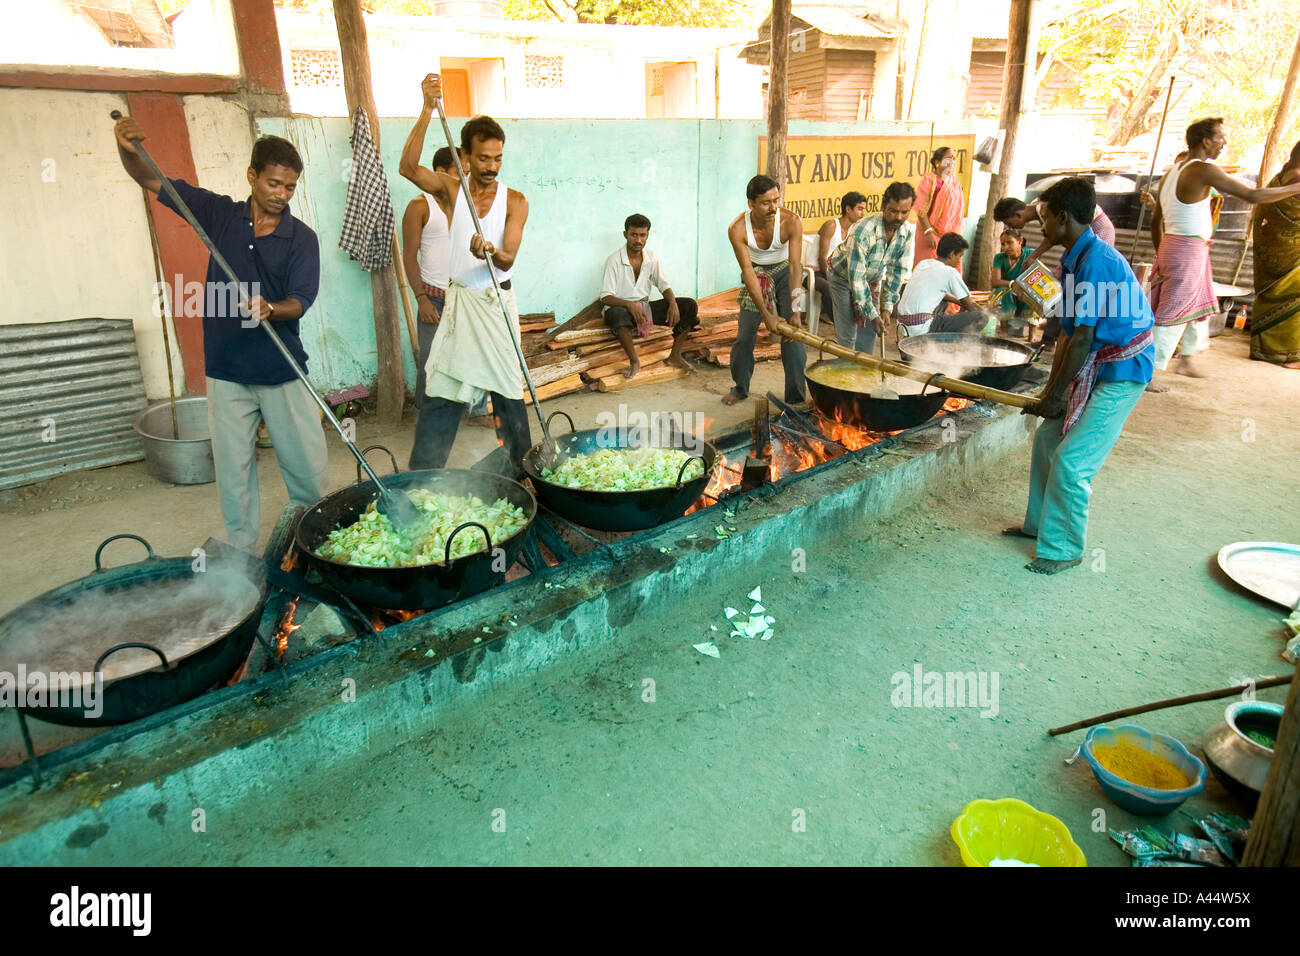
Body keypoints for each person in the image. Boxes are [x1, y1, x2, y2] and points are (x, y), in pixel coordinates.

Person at [113, 115, 327, 553]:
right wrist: (126, 148)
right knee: (233, 474)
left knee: (307, 474)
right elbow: (147, 178)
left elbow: (302, 299)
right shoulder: (217, 214)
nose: (281, 195)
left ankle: (315, 548)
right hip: (227, 372)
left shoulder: (301, 238)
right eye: (273, 184)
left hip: (281, 370)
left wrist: (271, 308)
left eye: (290, 187)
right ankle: (242, 557)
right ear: (252, 176)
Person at [1003, 178, 1154, 575]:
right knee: (1048, 437)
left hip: (1123, 369)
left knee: (1072, 462)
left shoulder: (1097, 262)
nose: (1042, 224)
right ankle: (1038, 526)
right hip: (1099, 359)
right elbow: (1068, 336)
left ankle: (1065, 548)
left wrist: (1054, 396)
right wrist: (1051, 394)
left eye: (1045, 216)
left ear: (1063, 218)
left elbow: (1083, 338)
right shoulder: (1075, 258)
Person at [400, 75, 532, 472]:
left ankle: (524, 472)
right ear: (465, 157)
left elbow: (508, 259)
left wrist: (490, 250)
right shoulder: (451, 191)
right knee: (441, 385)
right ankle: (423, 478)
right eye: (482, 159)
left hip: (495, 305)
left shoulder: (516, 201)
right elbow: (407, 167)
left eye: (497, 158)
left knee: (508, 391)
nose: (491, 167)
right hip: (460, 302)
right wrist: (426, 109)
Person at [1149, 118, 1300, 381]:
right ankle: (1147, 372)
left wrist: (1162, 252)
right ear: (1206, 141)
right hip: (1187, 250)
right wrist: (1295, 188)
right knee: (1172, 315)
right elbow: (1252, 196)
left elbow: (1156, 220)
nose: (1224, 142)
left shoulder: (1174, 171)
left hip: (1175, 246)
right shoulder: (1204, 169)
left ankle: (1187, 358)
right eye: (1221, 137)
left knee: (1199, 303)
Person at [724, 175, 807, 406]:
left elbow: (794, 268)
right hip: (757, 277)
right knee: (743, 337)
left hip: (784, 274)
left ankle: (796, 397)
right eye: (765, 202)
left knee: (793, 335)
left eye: (776, 200)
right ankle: (740, 388)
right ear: (751, 203)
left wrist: (796, 311)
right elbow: (748, 273)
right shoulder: (737, 228)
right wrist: (767, 314)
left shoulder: (791, 221)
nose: (773, 207)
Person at [600, 213, 699, 378]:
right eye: (633, 235)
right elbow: (606, 297)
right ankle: (634, 361)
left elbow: (664, 285)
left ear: (647, 235)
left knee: (689, 306)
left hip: (644, 310)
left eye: (642, 235)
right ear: (625, 234)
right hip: (622, 310)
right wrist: (629, 305)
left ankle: (675, 355)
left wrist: (673, 303)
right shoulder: (614, 260)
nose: (638, 240)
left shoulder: (651, 257)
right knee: (616, 314)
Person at [826, 181, 916, 354]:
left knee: (870, 332)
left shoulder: (907, 232)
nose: (898, 217)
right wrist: (872, 314)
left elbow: (897, 273)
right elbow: (857, 280)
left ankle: (863, 374)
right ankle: (845, 376)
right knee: (848, 334)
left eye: (904, 212)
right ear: (883, 206)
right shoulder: (863, 230)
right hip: (841, 276)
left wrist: (886, 308)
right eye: (893, 211)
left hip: (872, 279)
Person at [1251, 140, 1300, 368]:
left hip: (1280, 250)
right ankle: (1288, 355)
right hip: (1289, 251)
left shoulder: (1286, 173)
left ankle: (1269, 350)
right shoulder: (1296, 178)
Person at [894, 233, 986, 336]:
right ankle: (953, 345)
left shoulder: (923, 264)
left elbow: (938, 293)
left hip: (902, 325)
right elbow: (970, 306)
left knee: (944, 301)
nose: (959, 261)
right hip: (920, 328)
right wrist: (988, 313)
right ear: (951, 254)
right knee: (981, 317)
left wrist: (958, 302)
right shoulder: (950, 272)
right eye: (960, 256)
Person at [813, 192, 868, 326]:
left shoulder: (854, 230)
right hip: (815, 272)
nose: (863, 213)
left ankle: (856, 323)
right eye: (859, 209)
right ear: (848, 209)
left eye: (864, 209)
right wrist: (833, 279)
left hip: (836, 272)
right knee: (830, 287)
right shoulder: (831, 226)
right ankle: (841, 324)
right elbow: (822, 259)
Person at [914, 147, 966, 267]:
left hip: (950, 237)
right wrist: (928, 232)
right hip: (930, 235)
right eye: (948, 159)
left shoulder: (953, 182)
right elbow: (921, 211)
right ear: (937, 163)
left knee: (950, 270)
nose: (952, 162)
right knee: (929, 269)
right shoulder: (929, 181)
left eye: (954, 158)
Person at [991, 227, 1036, 338]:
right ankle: (1004, 330)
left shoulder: (1031, 254)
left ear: (1020, 241)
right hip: (1009, 291)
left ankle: (1032, 334)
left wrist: (1023, 289)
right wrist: (1012, 284)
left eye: (1009, 243)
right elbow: (995, 282)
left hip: (1025, 291)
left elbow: (1037, 279)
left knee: (1034, 294)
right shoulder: (999, 258)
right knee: (1002, 291)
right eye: (1003, 244)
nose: (1005, 247)